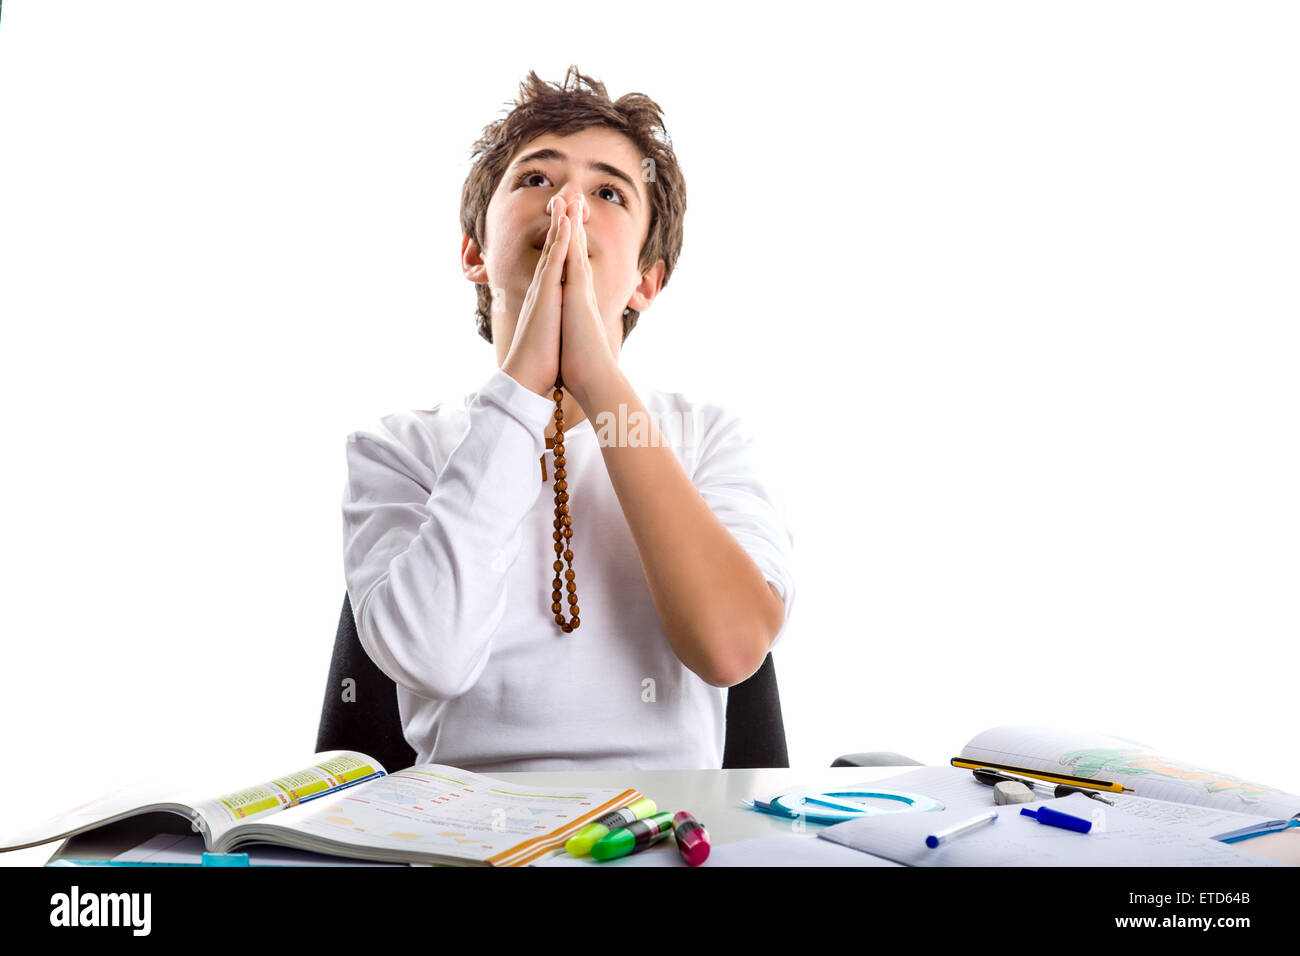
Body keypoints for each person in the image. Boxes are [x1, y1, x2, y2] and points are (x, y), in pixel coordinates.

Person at [341, 66, 795, 771]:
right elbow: (430, 657)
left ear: (646, 281)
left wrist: (596, 375)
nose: (568, 210)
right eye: (535, 180)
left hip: (659, 833)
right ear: (475, 254)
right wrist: (525, 382)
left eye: (608, 192)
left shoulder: (708, 437)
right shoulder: (397, 448)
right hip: (464, 837)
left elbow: (732, 648)